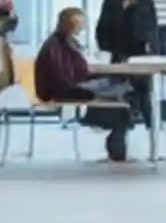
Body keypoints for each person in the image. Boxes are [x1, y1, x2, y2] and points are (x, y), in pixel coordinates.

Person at [34, 8, 133, 161]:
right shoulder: (55, 47)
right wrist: (86, 89)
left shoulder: (67, 43)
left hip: (76, 85)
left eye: (82, 23)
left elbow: (78, 73)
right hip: (64, 91)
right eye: (77, 23)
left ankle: (107, 126)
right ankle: (104, 125)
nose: (81, 27)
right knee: (122, 95)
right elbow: (61, 79)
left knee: (120, 88)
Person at [95, 0, 159, 129]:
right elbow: (105, 31)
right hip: (120, 52)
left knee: (144, 88)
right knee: (121, 86)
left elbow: (150, 25)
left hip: (142, 54)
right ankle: (122, 122)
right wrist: (124, 9)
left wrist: (149, 43)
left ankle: (150, 124)